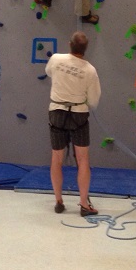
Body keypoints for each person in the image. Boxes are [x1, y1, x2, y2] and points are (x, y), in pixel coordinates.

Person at [45, 31, 101, 216]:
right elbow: (93, 101)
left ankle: (59, 201)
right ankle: (84, 204)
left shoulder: (55, 59)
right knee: (83, 159)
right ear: (85, 49)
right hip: (78, 114)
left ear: (70, 44)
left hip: (57, 112)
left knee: (57, 159)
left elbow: (48, 72)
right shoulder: (90, 70)